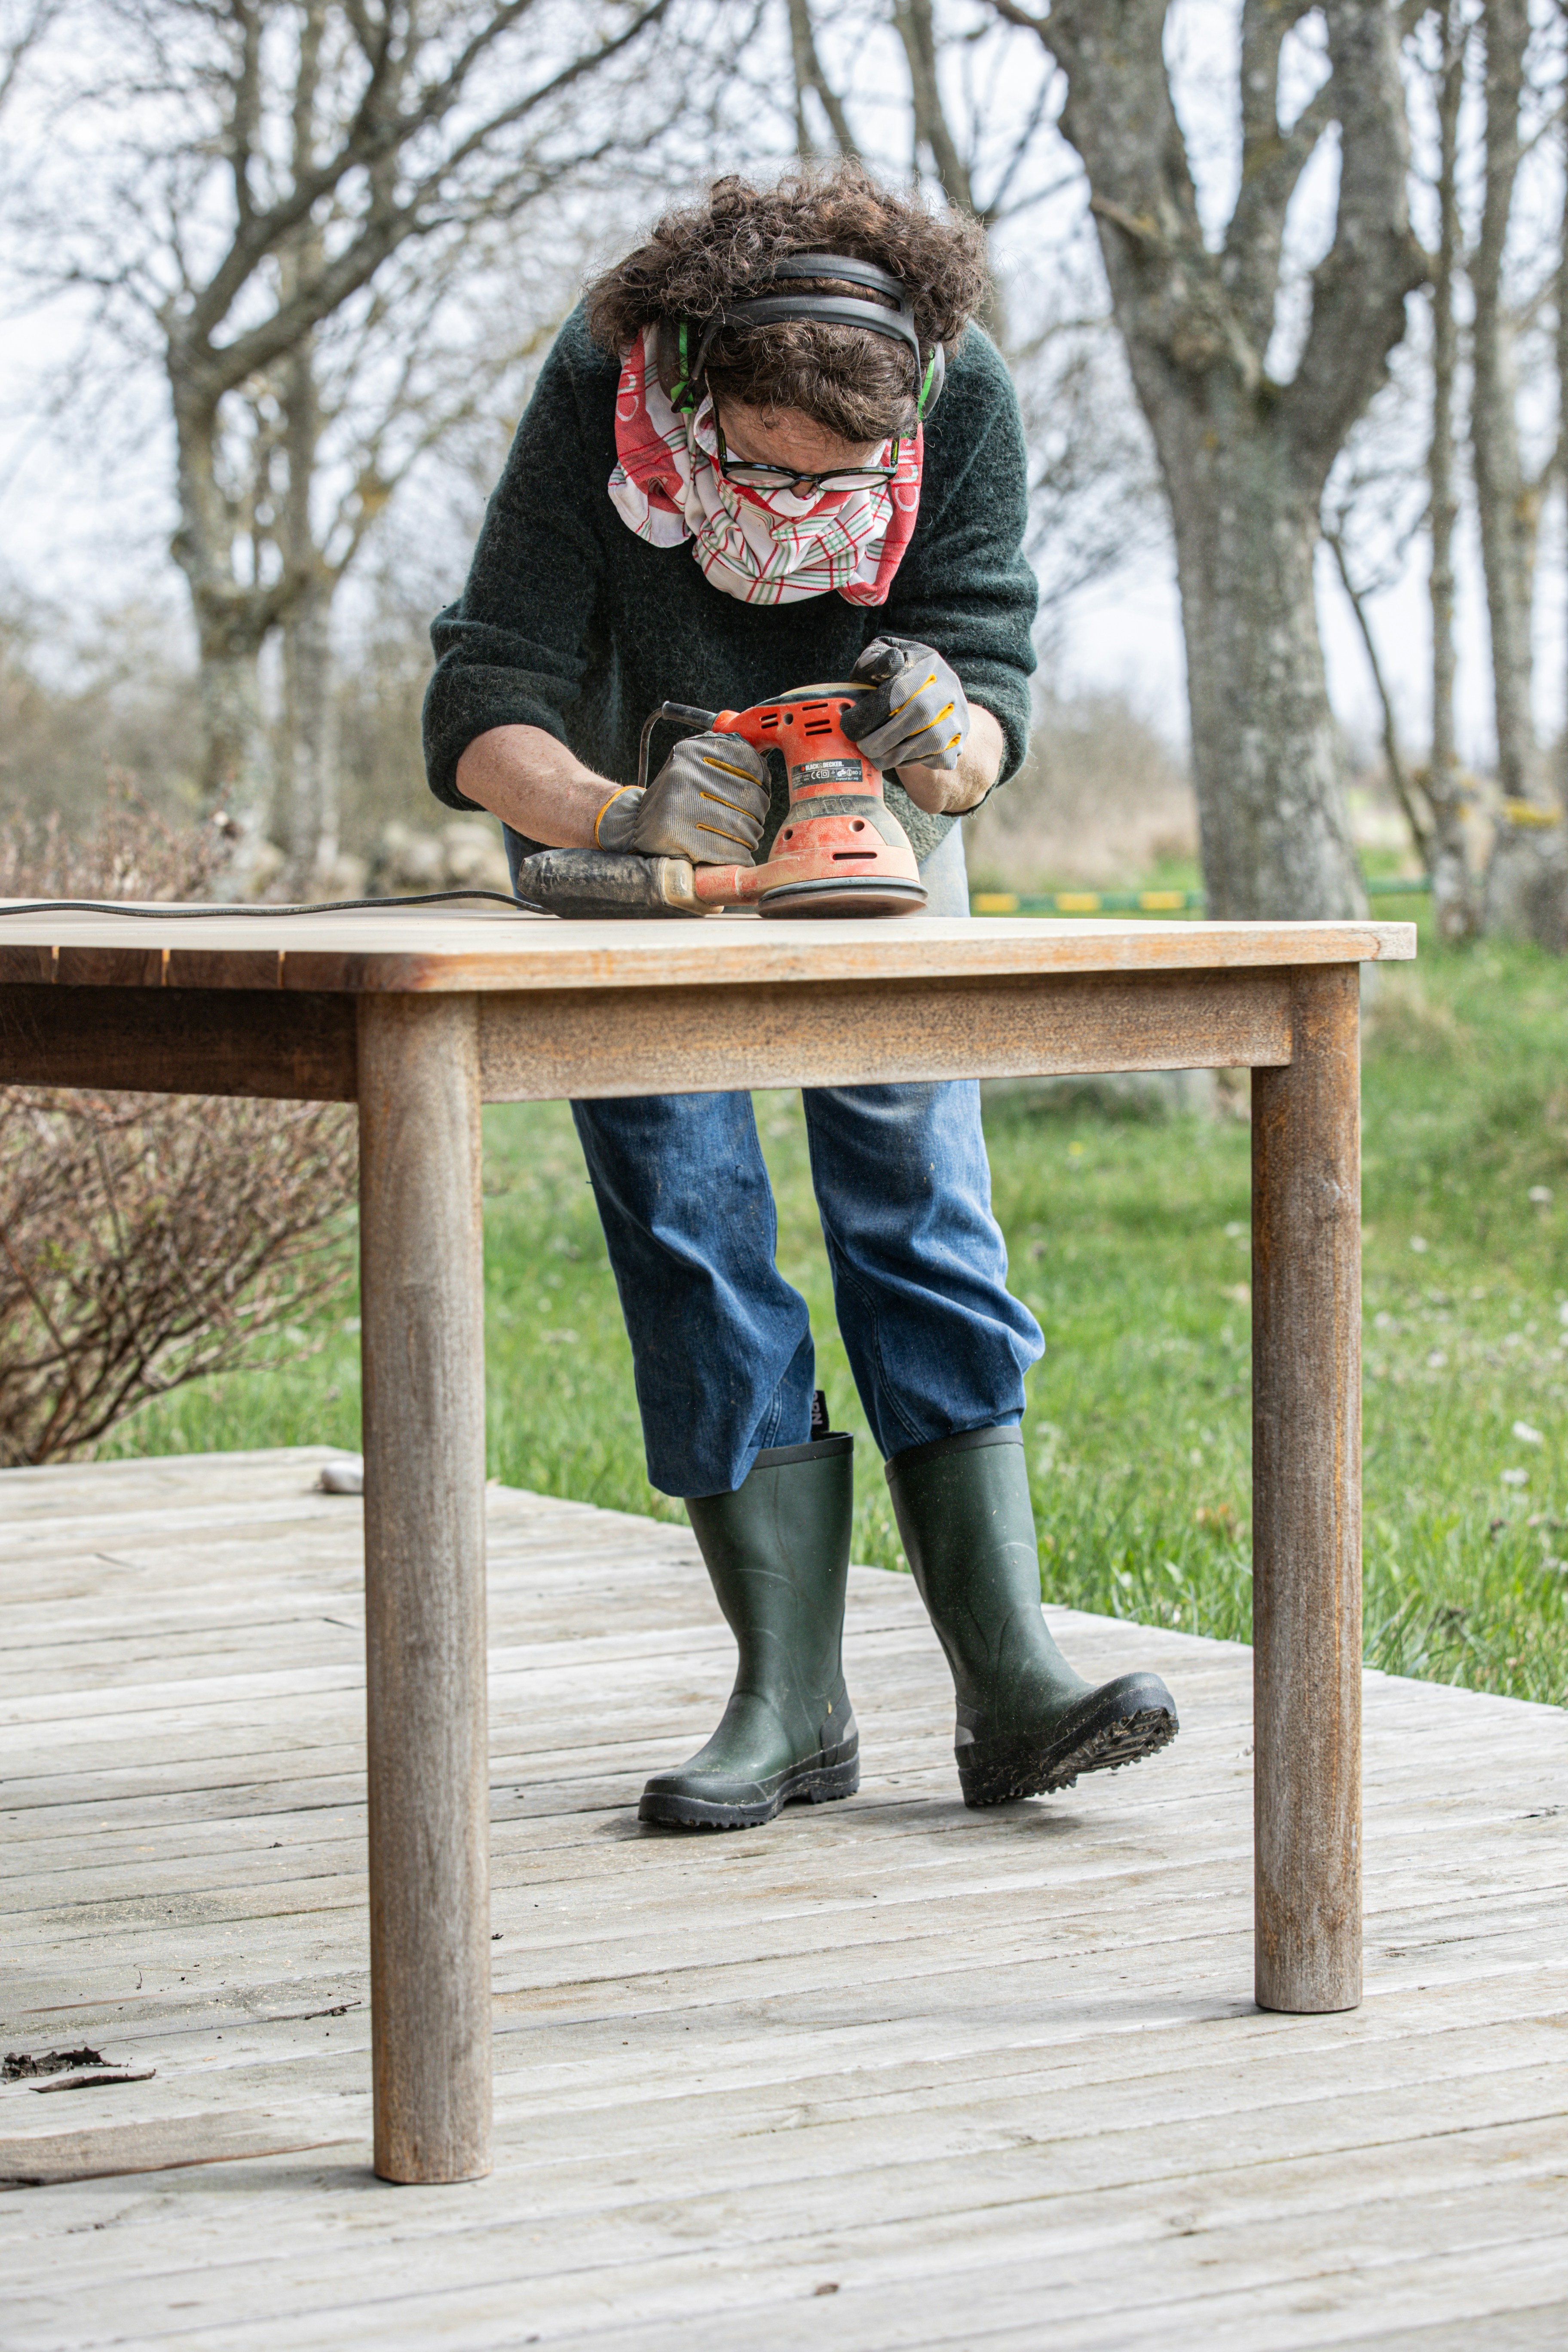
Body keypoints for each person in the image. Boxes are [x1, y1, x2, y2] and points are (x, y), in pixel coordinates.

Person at [424, 163, 1178, 1831]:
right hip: (648, 804)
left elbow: (985, 667)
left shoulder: (956, 381)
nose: (792, 509)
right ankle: (792, 1700)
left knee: (916, 1200)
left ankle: (1012, 1686)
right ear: (695, 386)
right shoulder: (602, 377)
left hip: (871, 821)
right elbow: (490, 689)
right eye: (761, 468)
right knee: (688, 1216)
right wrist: (620, 819)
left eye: (839, 483)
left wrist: (945, 745)